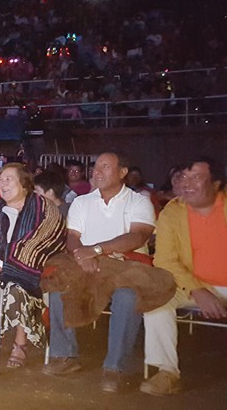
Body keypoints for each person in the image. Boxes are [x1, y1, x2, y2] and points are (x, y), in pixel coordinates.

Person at [43, 152, 156, 392]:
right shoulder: (82, 202)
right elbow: (72, 237)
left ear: (122, 172)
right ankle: (65, 356)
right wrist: (81, 256)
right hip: (87, 266)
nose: (97, 171)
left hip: (124, 267)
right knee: (59, 286)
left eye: (105, 167)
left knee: (127, 297)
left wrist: (95, 251)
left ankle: (116, 368)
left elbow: (137, 236)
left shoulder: (139, 201)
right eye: (96, 167)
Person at [0, 164, 66, 367]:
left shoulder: (44, 208)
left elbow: (45, 240)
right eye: (0, 179)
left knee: (16, 288)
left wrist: (13, 263)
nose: (2, 183)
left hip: (30, 270)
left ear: (24, 184)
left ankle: (20, 345)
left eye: (8, 179)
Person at [141, 157, 227, 396]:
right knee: (156, 297)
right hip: (193, 287)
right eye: (183, 177)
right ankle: (167, 372)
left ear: (216, 183)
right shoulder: (173, 212)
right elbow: (165, 260)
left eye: (196, 177)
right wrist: (197, 290)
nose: (186, 184)